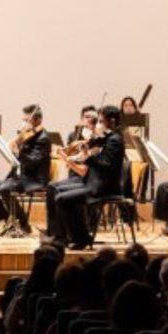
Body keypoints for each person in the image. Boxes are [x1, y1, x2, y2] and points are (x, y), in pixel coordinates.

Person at [44, 105, 126, 249]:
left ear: (112, 122)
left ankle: (80, 238)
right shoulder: (107, 138)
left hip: (103, 187)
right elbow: (99, 157)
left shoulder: (115, 140)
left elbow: (107, 165)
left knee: (62, 199)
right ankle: (62, 236)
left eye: (101, 121)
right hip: (94, 182)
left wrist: (87, 157)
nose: (98, 124)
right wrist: (86, 150)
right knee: (59, 192)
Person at [0, 104, 51, 234]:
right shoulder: (26, 135)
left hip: (33, 179)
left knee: (5, 188)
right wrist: (11, 151)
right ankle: (8, 220)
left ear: (38, 120)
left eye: (27, 120)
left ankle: (23, 223)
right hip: (20, 176)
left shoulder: (43, 139)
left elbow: (31, 163)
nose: (24, 123)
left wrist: (18, 151)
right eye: (23, 119)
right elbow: (20, 161)